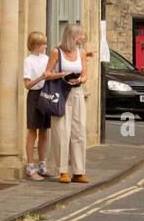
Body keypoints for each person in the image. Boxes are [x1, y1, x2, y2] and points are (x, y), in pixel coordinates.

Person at [45, 24, 92, 183]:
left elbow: (85, 75)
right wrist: (62, 74)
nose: (83, 38)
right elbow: (47, 75)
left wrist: (80, 79)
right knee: (61, 131)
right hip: (61, 93)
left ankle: (79, 171)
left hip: (77, 93)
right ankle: (62, 170)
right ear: (72, 36)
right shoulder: (56, 52)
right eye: (80, 36)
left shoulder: (82, 53)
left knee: (79, 131)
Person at [22, 31, 58, 180]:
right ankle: (30, 168)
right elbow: (27, 85)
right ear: (36, 45)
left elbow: (52, 75)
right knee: (32, 132)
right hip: (34, 96)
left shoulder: (47, 58)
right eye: (43, 43)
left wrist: (63, 74)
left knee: (44, 132)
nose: (46, 45)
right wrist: (42, 77)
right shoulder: (28, 61)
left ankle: (42, 167)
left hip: (46, 94)